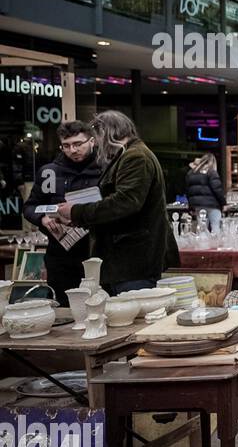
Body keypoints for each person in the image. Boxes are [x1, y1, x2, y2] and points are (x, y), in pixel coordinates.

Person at [54, 110, 178, 296]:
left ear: (107, 133)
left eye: (97, 137)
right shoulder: (130, 155)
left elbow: (125, 202)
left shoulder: (135, 157)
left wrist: (77, 211)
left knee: (134, 320)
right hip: (129, 260)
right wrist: (78, 216)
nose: (96, 144)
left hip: (132, 260)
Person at [21, 121, 101, 305]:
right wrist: (42, 217)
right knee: (65, 309)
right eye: (66, 145)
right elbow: (29, 207)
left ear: (92, 141)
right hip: (61, 254)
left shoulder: (106, 169)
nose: (72, 150)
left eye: (77, 144)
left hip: (98, 250)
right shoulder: (49, 172)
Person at [185, 152, 226, 234]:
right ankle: (215, 245)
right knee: (215, 227)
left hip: (198, 206)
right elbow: (217, 189)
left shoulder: (191, 173)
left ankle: (203, 245)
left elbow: (188, 192)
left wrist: (191, 207)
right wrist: (223, 203)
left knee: (202, 228)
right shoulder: (211, 172)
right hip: (213, 205)